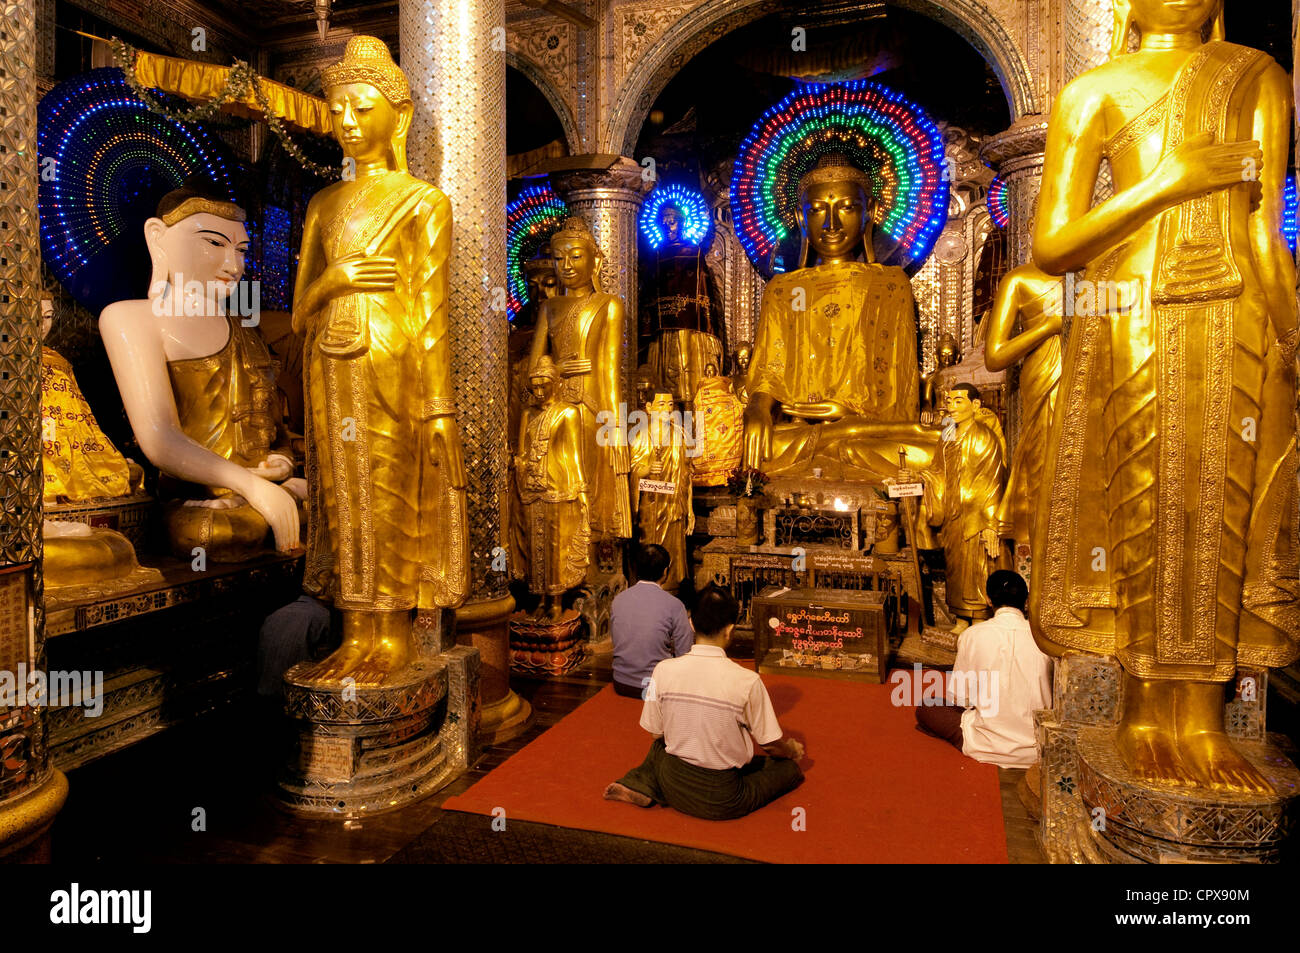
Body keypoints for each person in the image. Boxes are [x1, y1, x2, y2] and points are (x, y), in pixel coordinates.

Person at [604, 585, 805, 820]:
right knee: (789, 770)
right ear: (730, 630)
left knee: (659, 748)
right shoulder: (747, 681)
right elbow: (770, 745)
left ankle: (644, 784)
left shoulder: (662, 670)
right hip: (723, 798)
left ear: (691, 623)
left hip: (673, 781)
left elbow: (656, 734)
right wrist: (791, 750)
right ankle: (650, 785)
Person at [915, 570, 1052, 767]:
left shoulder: (972, 635)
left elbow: (960, 699)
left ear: (988, 600)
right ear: (1026, 600)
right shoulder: (1043, 638)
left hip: (984, 743)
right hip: (1037, 747)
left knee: (928, 706)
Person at [610, 544, 693, 698]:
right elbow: (684, 654)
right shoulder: (674, 605)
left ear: (636, 569)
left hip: (621, 683)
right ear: (665, 571)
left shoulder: (618, 600)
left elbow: (618, 641)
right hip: (655, 689)